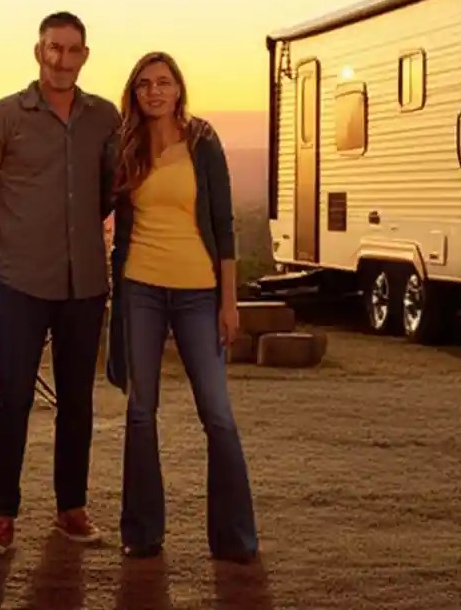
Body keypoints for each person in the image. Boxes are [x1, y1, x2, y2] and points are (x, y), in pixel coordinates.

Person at [0, 10, 121, 556]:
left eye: (73, 50)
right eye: (54, 48)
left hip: (86, 284)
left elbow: (113, 193)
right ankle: (1, 517)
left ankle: (71, 509)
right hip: (20, 282)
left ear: (85, 56)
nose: (62, 59)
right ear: (38, 51)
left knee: (78, 402)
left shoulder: (105, 118)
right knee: (14, 401)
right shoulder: (4, 115)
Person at [105, 50, 259, 564]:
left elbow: (225, 225)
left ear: (178, 89)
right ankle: (142, 533)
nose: (155, 91)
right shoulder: (125, 145)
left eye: (164, 82)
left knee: (217, 413)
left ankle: (235, 538)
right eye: (145, 83)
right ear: (135, 91)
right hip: (140, 288)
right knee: (140, 411)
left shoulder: (203, 140)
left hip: (198, 291)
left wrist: (228, 302)